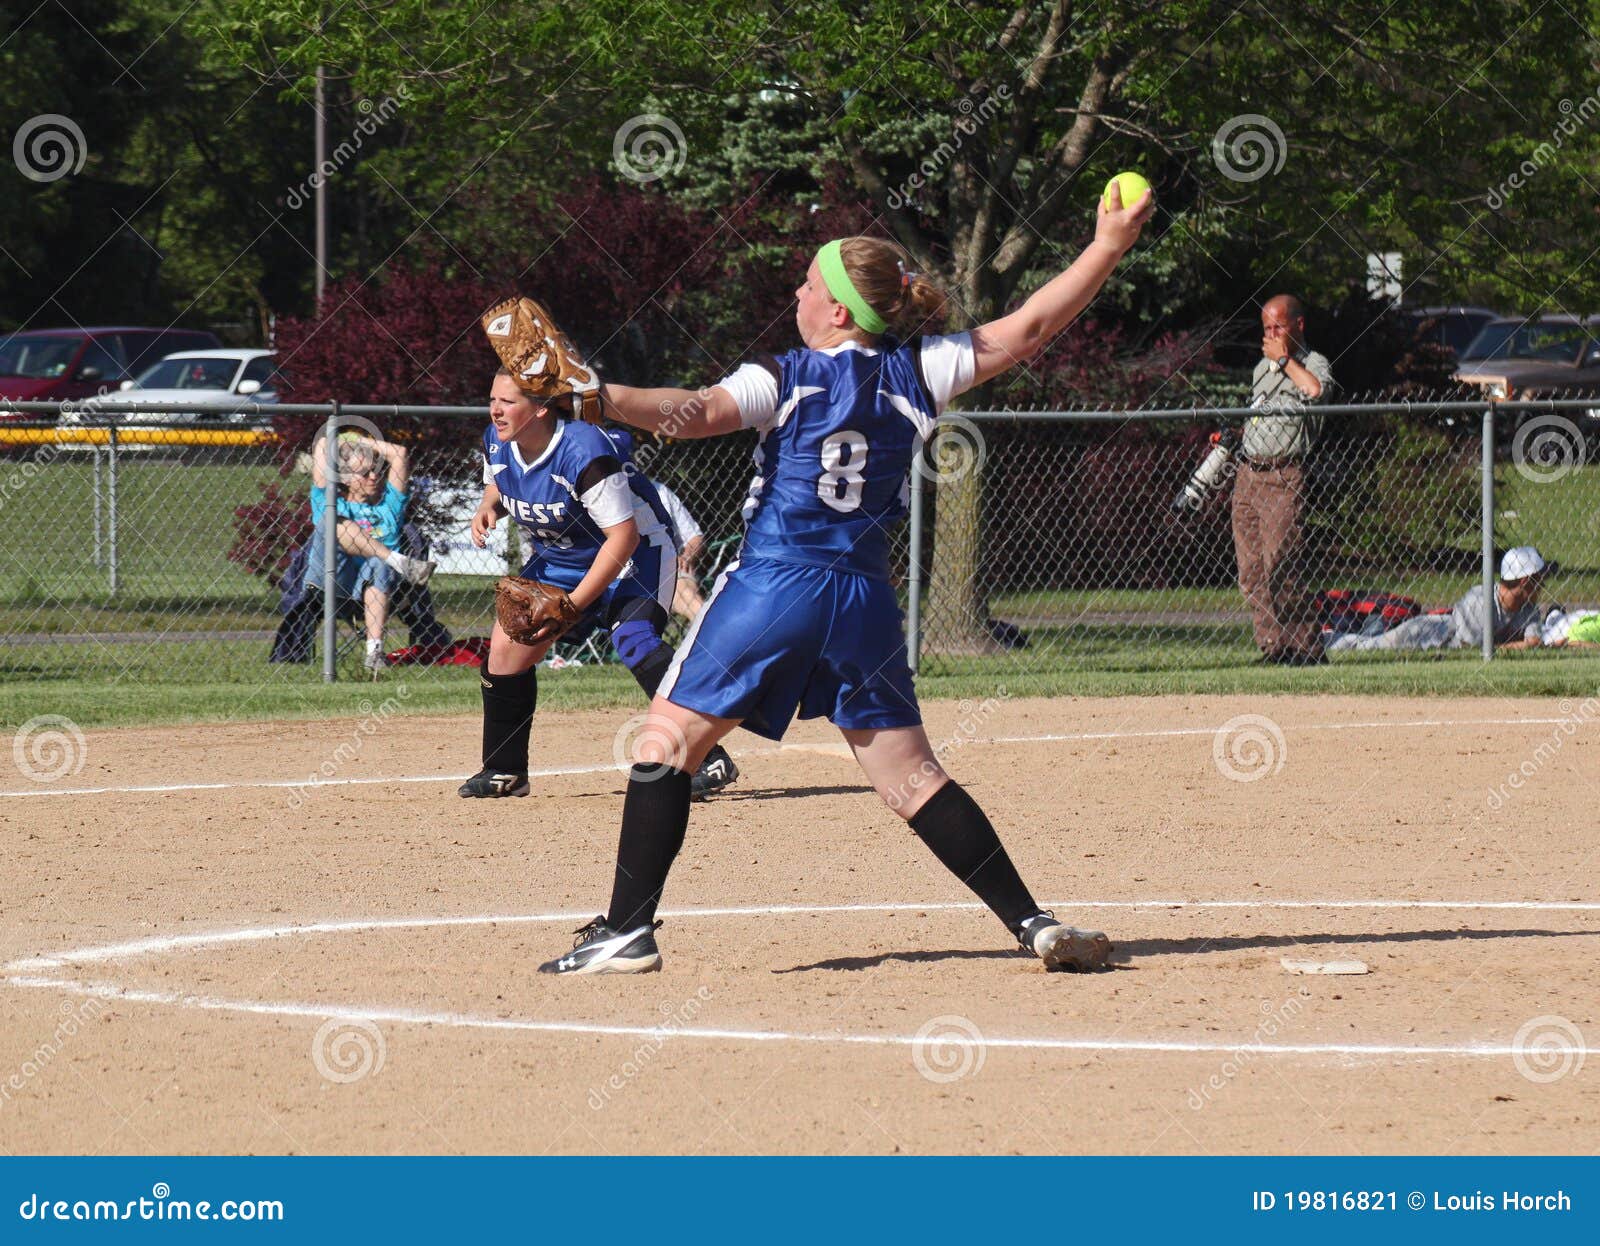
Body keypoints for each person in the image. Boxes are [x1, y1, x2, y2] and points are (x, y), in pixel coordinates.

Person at [535, 184, 1155, 976]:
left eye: (808, 285)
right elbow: (1031, 327)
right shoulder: (918, 369)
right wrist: (1107, 246)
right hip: (863, 600)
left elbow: (691, 412)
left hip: (774, 585)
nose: (796, 295)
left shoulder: (787, 374)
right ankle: (1032, 920)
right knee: (911, 778)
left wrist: (593, 397)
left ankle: (627, 930)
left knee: (667, 742)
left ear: (837, 312)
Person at [459, 371, 739, 800]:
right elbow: (498, 479)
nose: (495, 410)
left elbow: (623, 537)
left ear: (541, 408)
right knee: (505, 651)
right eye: (492, 399)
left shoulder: (583, 450)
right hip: (562, 558)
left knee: (634, 639)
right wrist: (487, 507)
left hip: (637, 552)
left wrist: (573, 606)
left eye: (508, 402)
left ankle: (708, 757)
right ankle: (504, 769)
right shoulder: (497, 441)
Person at [1233, 294, 1337, 665]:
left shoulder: (1313, 362)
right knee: (1252, 571)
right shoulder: (1261, 369)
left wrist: (1283, 360)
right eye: (1266, 329)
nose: (1271, 335)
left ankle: (1306, 649)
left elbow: (1315, 391)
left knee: (1282, 565)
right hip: (1248, 473)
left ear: (1298, 325)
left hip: (1283, 474)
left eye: (1278, 327)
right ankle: (1274, 647)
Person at [305, 431, 436, 674]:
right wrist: (347, 438)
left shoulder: (388, 508)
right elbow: (322, 443)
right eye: (365, 473)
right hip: (335, 581)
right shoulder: (329, 501)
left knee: (379, 564)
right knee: (331, 518)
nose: (374, 476)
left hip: (378, 586)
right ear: (345, 478)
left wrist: (363, 441)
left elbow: (399, 454)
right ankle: (398, 561)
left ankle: (374, 653)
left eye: (376, 470)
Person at [1328, 546, 1548, 652]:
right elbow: (1471, 651)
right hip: (1429, 633)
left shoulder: (1528, 608)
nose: (1543, 584)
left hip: (1442, 641)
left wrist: (1501, 648)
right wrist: (1512, 646)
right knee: (1369, 647)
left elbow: (1533, 643)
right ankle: (1327, 639)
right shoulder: (1481, 599)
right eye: (1539, 578)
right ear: (1525, 581)